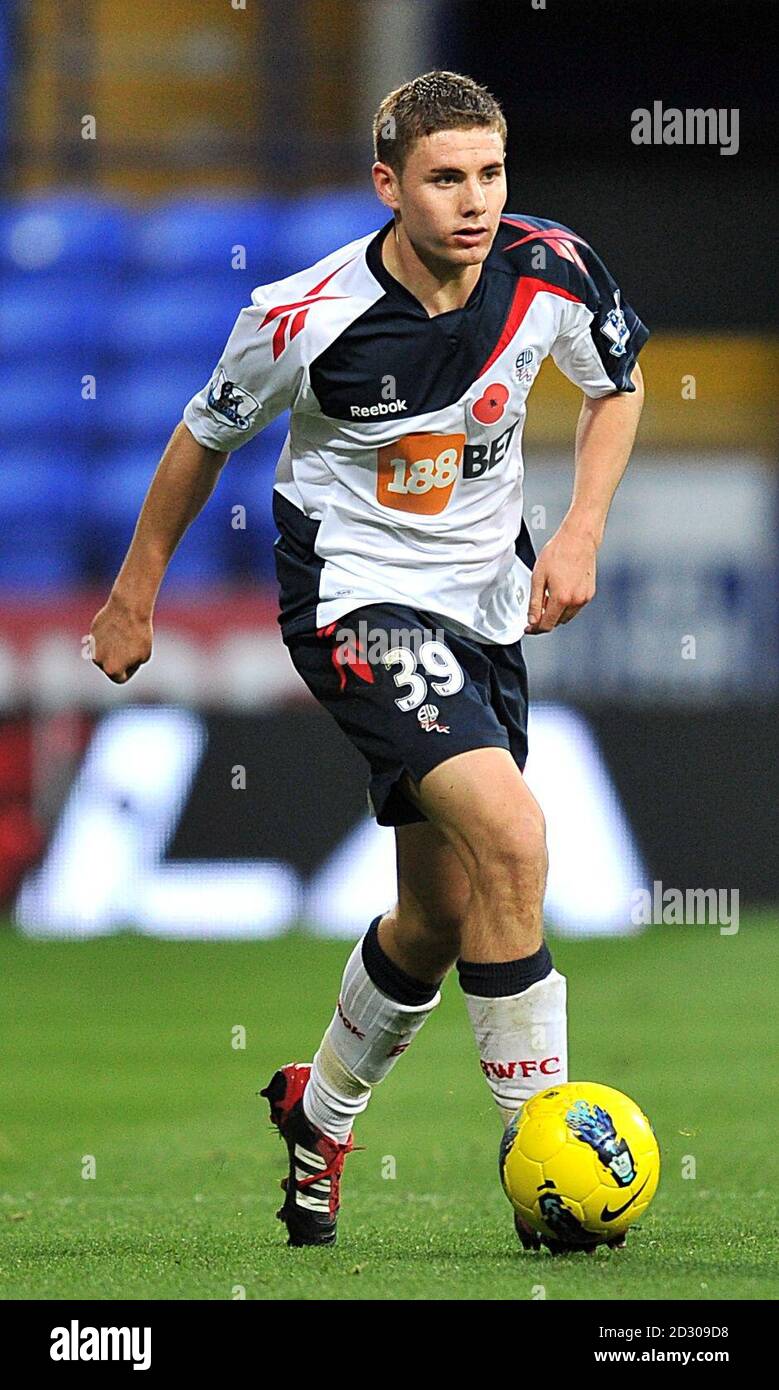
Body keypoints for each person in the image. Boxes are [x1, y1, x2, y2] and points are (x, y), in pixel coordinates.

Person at [89, 70, 647, 1251]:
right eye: (446, 178)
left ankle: (319, 1115)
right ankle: (536, 1153)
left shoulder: (552, 267)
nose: (476, 200)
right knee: (513, 835)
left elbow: (618, 385)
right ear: (387, 185)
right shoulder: (305, 317)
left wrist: (582, 531)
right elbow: (202, 435)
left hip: (486, 609)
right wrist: (135, 592)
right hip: (359, 602)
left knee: (436, 916)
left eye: (490, 172)